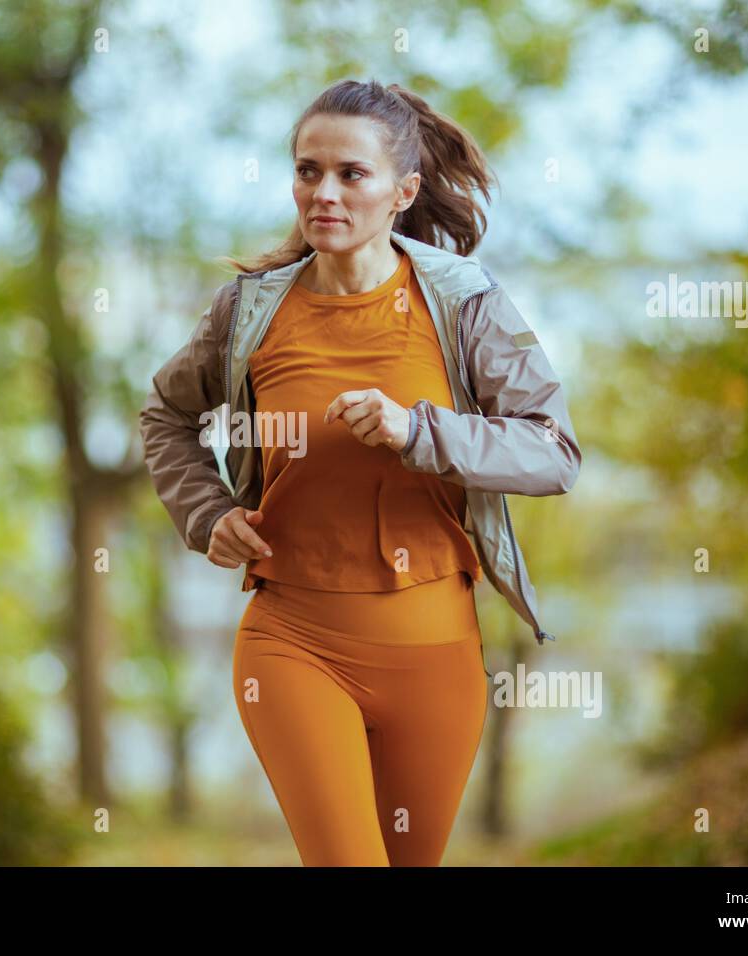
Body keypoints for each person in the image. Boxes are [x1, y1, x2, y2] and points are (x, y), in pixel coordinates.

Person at [139, 78, 581, 866]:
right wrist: (205, 515)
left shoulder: (465, 306)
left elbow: (554, 451)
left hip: (435, 651)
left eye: (351, 174)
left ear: (403, 191)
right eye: (308, 171)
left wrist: (422, 432)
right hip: (293, 641)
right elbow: (166, 416)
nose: (324, 193)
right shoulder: (249, 312)